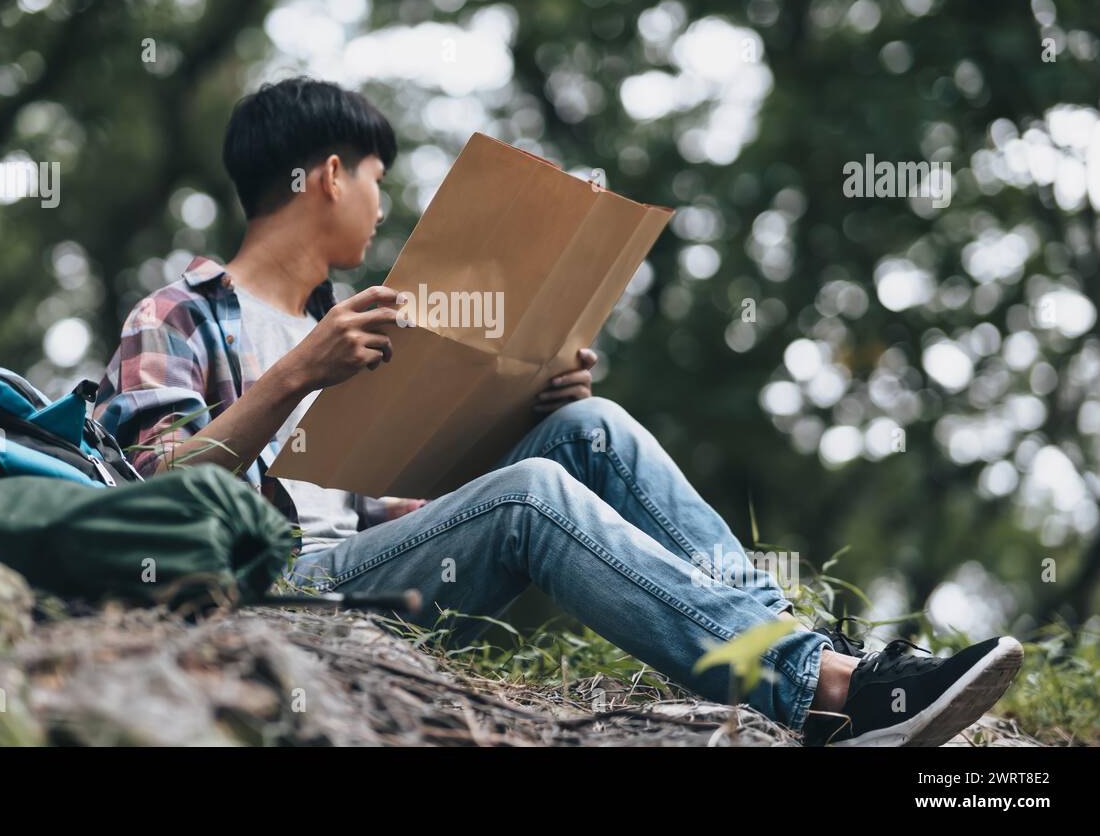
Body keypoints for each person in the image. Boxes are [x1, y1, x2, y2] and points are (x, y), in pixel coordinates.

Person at [94, 77, 1023, 746]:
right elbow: (156, 497)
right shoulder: (178, 317)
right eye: (377, 178)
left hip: (389, 579)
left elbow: (407, 514)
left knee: (586, 429)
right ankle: (815, 689)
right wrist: (295, 375)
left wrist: (512, 414)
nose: (381, 207)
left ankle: (822, 665)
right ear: (329, 175)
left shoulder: (361, 323)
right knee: (533, 488)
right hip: (287, 593)